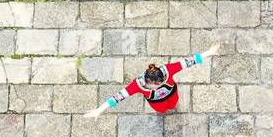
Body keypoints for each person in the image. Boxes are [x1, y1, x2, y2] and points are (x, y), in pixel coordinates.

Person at [83, 43, 221, 117]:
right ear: (148, 82)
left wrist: (208, 53)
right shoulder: (137, 85)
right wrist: (99, 110)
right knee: (162, 110)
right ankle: (165, 111)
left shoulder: (168, 70)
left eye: (161, 83)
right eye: (157, 85)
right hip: (157, 103)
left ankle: (173, 107)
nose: (159, 86)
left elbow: (188, 62)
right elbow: (118, 97)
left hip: (173, 94)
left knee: (173, 104)